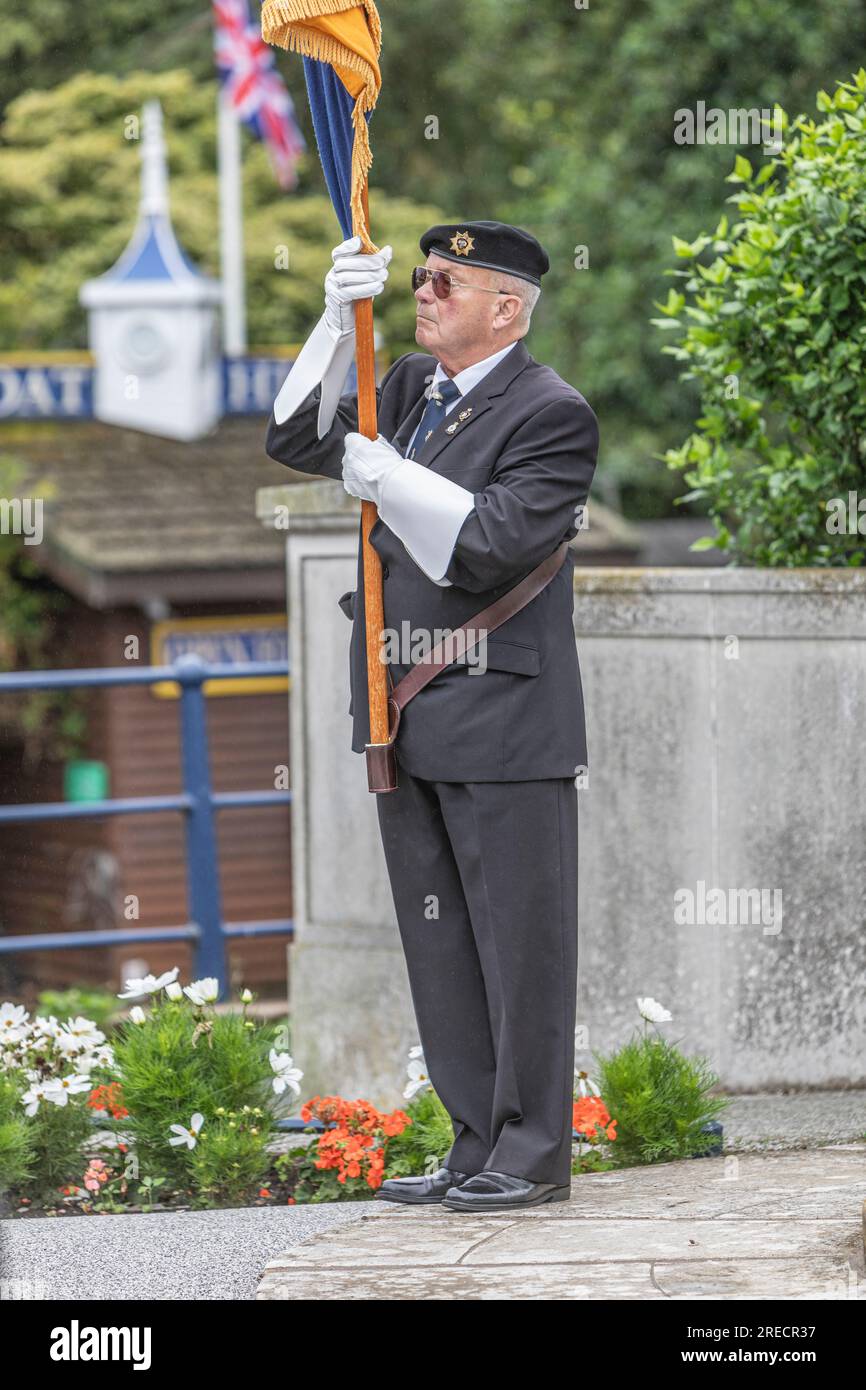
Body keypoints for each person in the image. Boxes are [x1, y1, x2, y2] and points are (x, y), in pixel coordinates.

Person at [265, 220, 599, 1212]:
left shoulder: (550, 412)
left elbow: (489, 545)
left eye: (445, 281)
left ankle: (531, 1155)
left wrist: (383, 477)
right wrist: (333, 320)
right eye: (419, 276)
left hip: (503, 715)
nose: (423, 291)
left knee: (518, 946)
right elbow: (292, 437)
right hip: (403, 715)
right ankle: (471, 1143)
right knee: (440, 943)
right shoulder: (406, 386)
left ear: (507, 306)